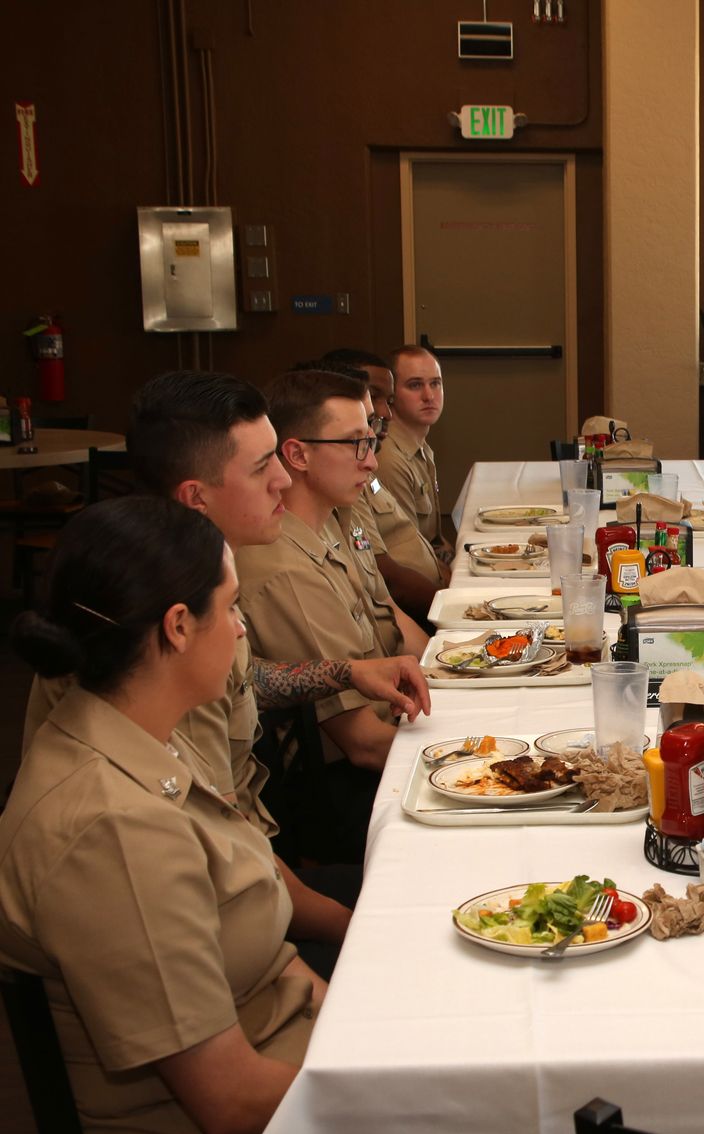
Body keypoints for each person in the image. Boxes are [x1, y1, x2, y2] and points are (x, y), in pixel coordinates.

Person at [20, 371, 431, 968]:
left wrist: (341, 672)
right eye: (263, 465)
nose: (284, 480)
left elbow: (248, 680)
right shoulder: (153, 639)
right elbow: (229, 839)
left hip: (251, 878)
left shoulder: (194, 583)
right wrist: (358, 930)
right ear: (196, 497)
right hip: (216, 921)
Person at [2, 497, 319, 1134]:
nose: (238, 630)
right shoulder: (113, 830)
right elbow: (228, 1101)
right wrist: (411, 1087)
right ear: (177, 625)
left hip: (298, 1054)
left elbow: (274, 949)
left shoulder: (143, 733)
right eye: (230, 607)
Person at [236, 368, 417, 863]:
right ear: (297, 455)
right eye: (356, 444)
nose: (373, 461)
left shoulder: (335, 520)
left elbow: (401, 632)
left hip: (396, 737)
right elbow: (364, 745)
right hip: (349, 792)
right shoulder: (284, 569)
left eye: (372, 440)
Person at [321, 348, 449, 619]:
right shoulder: (362, 470)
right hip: (417, 612)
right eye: (372, 397)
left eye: (385, 400)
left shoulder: (371, 464)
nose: (384, 412)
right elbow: (388, 582)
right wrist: (456, 609)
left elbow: (423, 542)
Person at [377, 343, 452, 563]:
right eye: (415, 385)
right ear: (391, 393)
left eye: (435, 384)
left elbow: (434, 541)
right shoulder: (390, 458)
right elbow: (409, 555)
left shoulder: (420, 445)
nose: (429, 396)